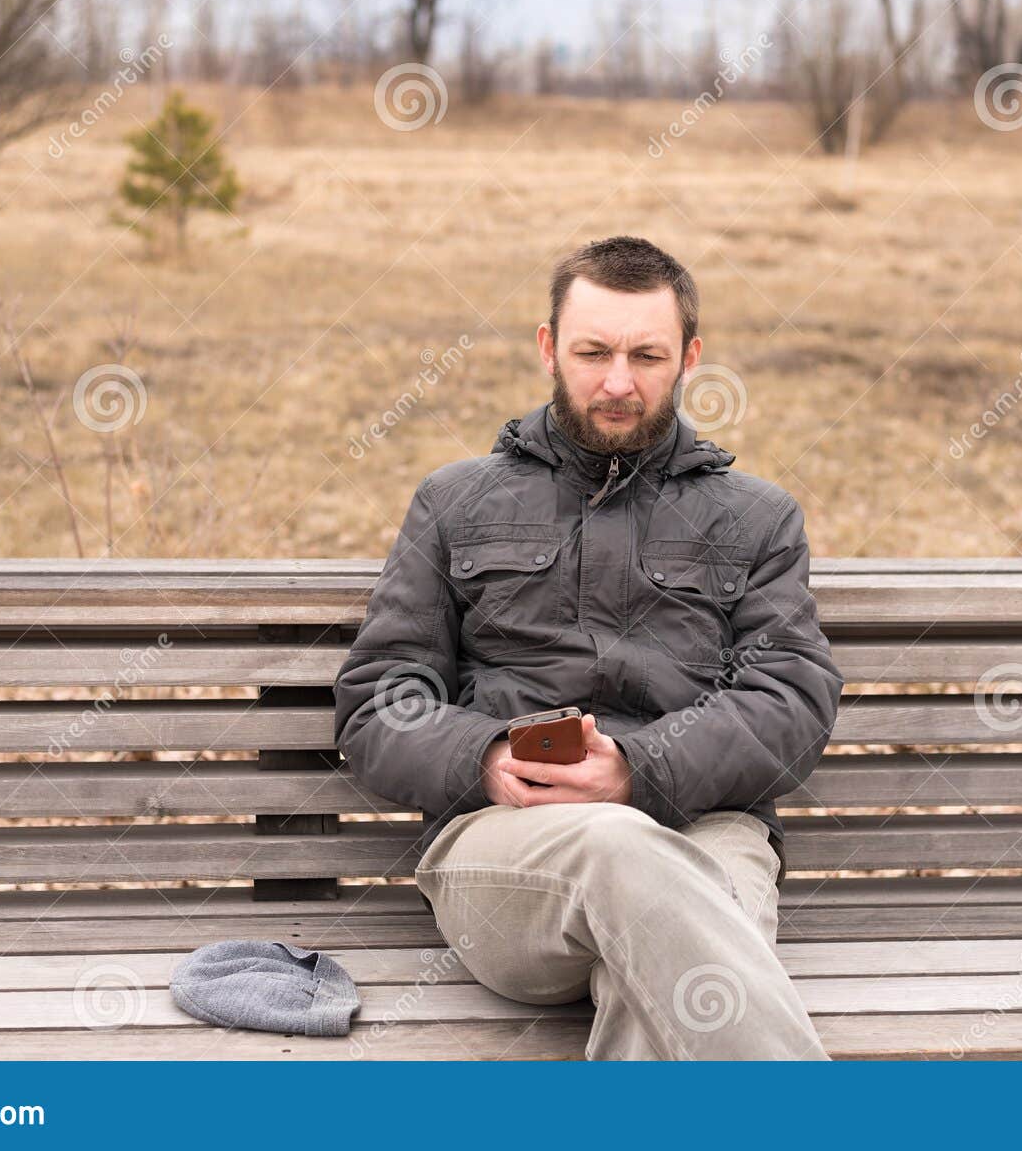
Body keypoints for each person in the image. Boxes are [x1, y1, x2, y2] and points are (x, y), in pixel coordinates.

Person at [332, 235, 843, 1059]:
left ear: (690, 358)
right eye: (593, 352)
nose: (617, 382)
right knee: (620, 852)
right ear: (547, 349)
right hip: (505, 846)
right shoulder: (454, 502)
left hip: (706, 830)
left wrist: (641, 769)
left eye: (646, 355)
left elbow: (791, 700)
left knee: (673, 978)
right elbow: (378, 702)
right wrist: (487, 754)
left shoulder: (757, 518)